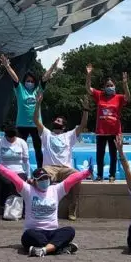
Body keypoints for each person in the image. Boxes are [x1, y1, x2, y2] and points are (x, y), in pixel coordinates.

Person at [0, 163, 89, 257]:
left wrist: (87, 172)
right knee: (28, 236)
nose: (44, 180)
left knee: (70, 231)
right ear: (34, 181)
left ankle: (44, 250)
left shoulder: (56, 190)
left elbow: (72, 179)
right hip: (35, 232)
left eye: (46, 178)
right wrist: (0, 167)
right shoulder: (28, 190)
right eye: (40, 179)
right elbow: (14, 177)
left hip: (52, 232)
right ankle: (59, 247)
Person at [0, 54, 61, 168]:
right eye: (28, 80)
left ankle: (40, 169)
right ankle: (18, 168)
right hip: (21, 125)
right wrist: (7, 66)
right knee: (18, 148)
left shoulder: (38, 89)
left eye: (32, 81)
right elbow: (15, 78)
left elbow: (45, 78)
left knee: (38, 149)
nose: (30, 82)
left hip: (36, 125)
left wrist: (52, 67)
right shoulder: (20, 89)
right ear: (24, 81)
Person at [33, 92, 88, 220]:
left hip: (65, 168)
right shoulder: (46, 134)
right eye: (55, 120)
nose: (55, 121)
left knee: (77, 176)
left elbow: (83, 125)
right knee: (41, 177)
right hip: (49, 168)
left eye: (58, 120)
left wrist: (85, 109)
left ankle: (72, 206)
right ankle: (42, 205)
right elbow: (36, 120)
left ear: (63, 126)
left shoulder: (69, 135)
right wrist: (38, 103)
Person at [85, 63, 129, 181]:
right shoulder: (99, 95)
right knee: (100, 155)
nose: (110, 87)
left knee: (113, 155)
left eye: (112, 85)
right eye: (107, 85)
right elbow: (88, 88)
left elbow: (128, 97)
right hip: (101, 132)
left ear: (115, 86)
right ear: (104, 87)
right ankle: (99, 175)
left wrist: (125, 84)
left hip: (114, 132)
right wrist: (89, 75)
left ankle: (112, 175)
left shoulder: (118, 97)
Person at [0, 124, 31, 217]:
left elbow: (26, 161)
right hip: (3, 171)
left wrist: (28, 176)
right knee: (7, 183)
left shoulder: (22, 143)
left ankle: (19, 209)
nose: (11, 140)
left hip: (19, 171)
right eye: (9, 138)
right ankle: (2, 207)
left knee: (18, 183)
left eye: (13, 137)